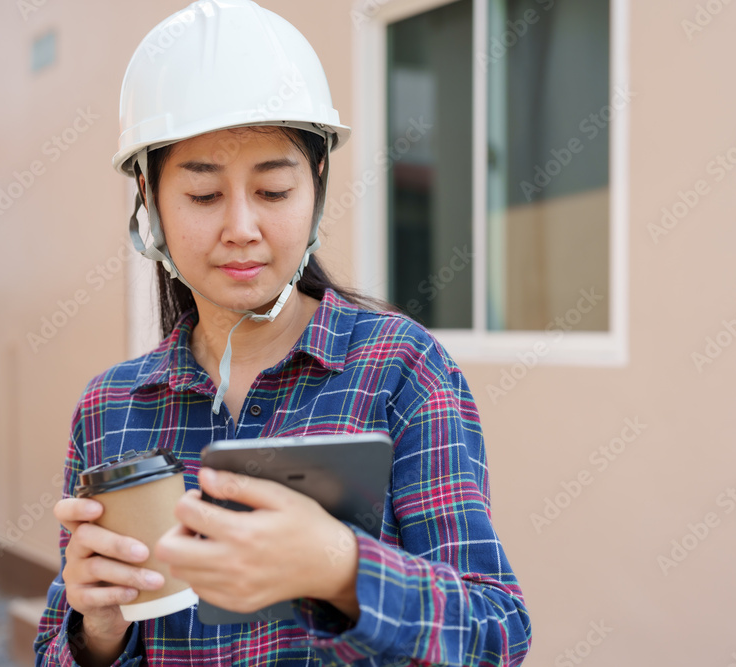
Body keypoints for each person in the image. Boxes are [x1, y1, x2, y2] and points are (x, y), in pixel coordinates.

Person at [35, 1, 531, 665]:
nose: (241, 226)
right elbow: (55, 649)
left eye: (272, 190)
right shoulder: (111, 407)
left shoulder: (401, 371)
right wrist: (96, 628)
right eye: (204, 196)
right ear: (150, 204)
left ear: (317, 186)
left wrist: (339, 566)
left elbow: (497, 633)